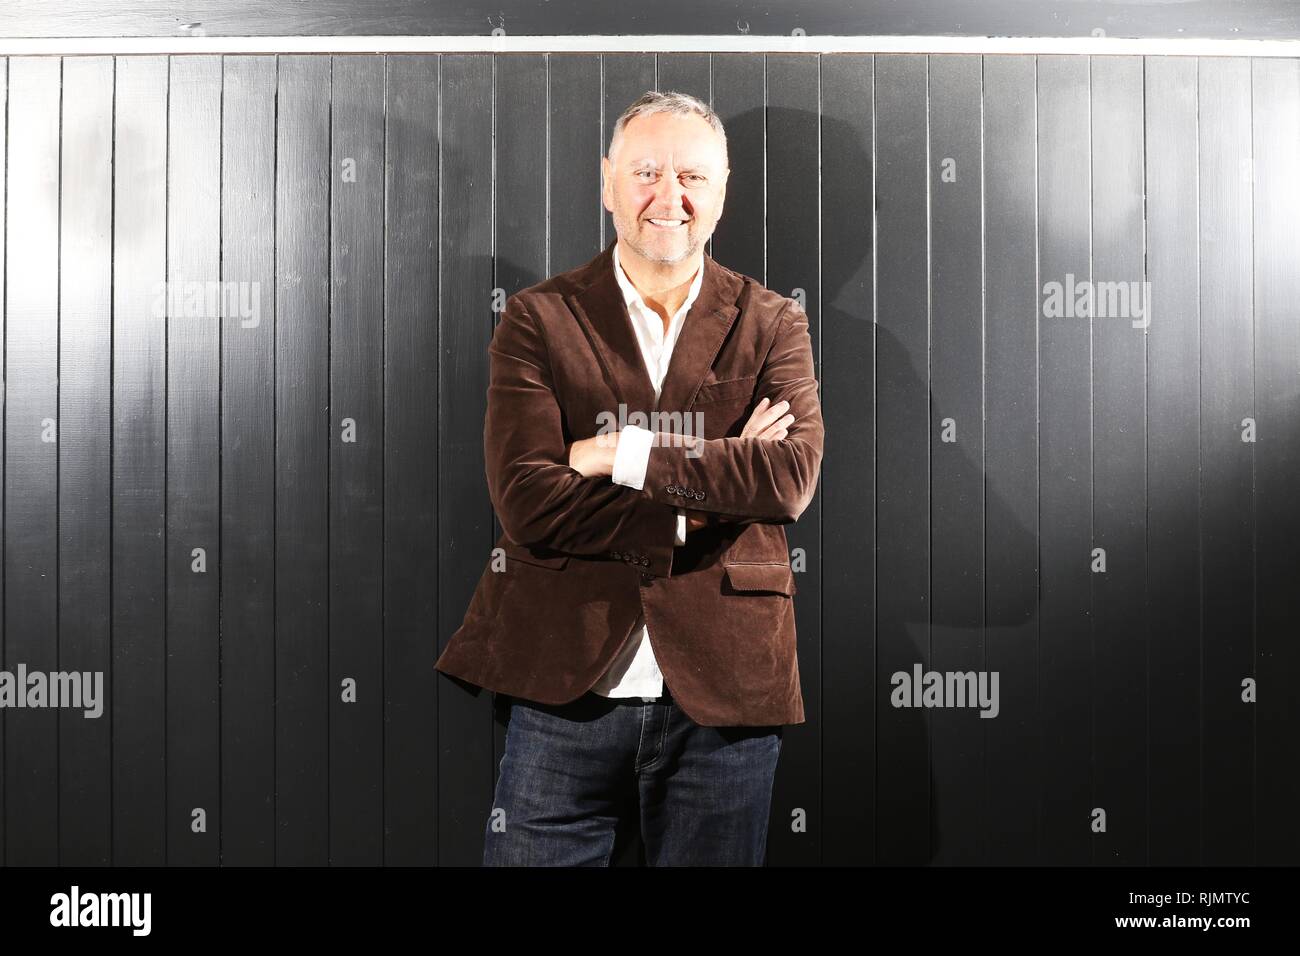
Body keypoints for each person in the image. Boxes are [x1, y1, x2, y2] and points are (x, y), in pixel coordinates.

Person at [434, 89, 824, 866]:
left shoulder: (773, 321)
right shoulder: (537, 319)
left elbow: (786, 478)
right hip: (562, 686)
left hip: (726, 695)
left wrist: (622, 453)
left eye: (692, 177)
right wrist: (713, 489)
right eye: (646, 171)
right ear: (608, 180)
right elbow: (527, 499)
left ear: (722, 191)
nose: (668, 197)